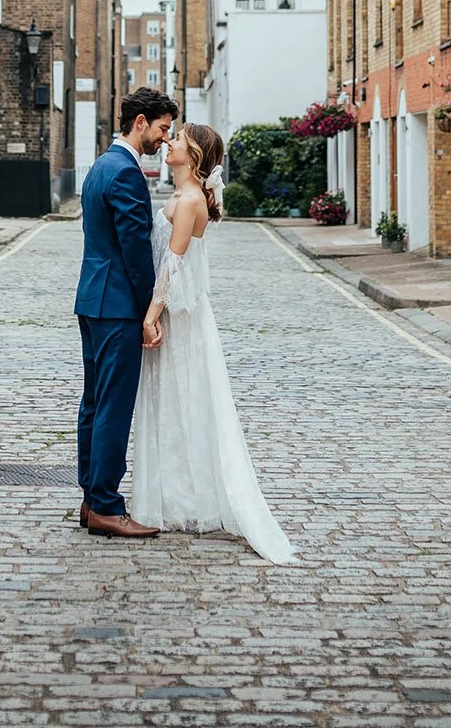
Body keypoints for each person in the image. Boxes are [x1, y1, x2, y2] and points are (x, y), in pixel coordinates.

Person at [128, 123, 297, 564]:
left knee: (181, 399)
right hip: (180, 311)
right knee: (174, 401)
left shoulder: (188, 200)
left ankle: (181, 501)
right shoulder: (184, 195)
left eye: (178, 140)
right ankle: (177, 497)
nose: (169, 142)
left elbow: (173, 265)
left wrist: (150, 317)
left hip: (178, 316)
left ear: (195, 156)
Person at [73, 87, 178, 539]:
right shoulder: (127, 173)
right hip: (117, 306)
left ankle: (90, 499)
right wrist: (147, 312)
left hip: (92, 299)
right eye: (162, 128)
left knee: (94, 403)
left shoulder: (101, 166)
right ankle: (107, 506)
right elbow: (135, 250)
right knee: (113, 408)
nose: (165, 137)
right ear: (140, 122)